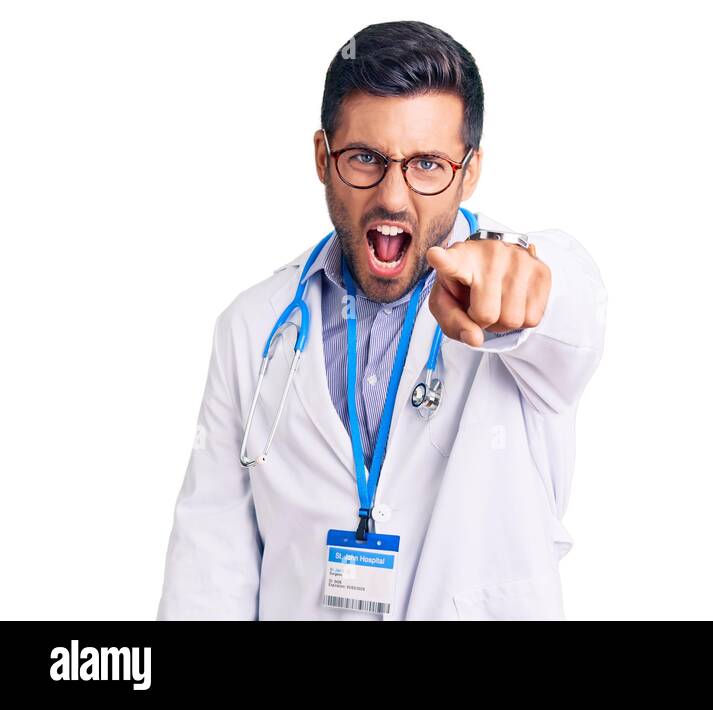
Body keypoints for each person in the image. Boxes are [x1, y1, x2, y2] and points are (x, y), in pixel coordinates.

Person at [156, 20, 606, 620]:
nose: (393, 196)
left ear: (468, 172)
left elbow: (568, 308)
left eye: (427, 164)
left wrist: (525, 277)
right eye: (366, 158)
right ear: (323, 158)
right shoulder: (250, 328)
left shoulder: (515, 311)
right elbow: (208, 572)